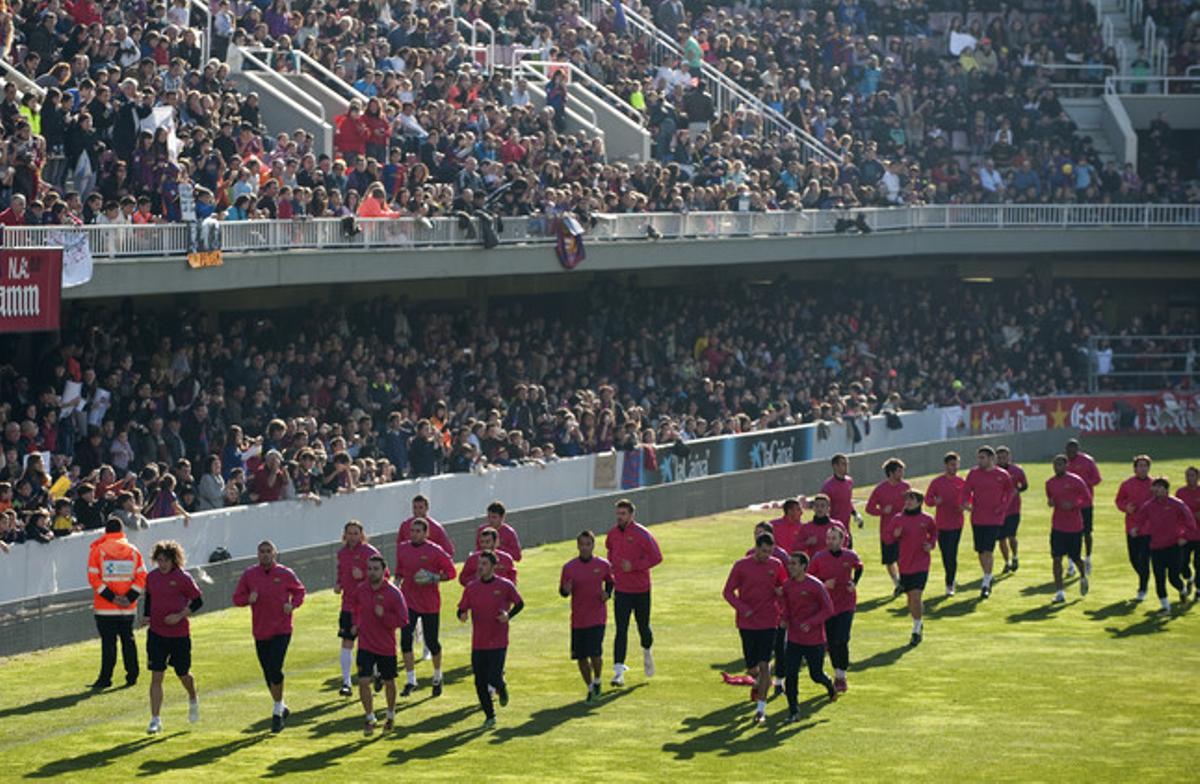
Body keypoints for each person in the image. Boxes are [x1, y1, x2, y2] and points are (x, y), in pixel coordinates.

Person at [232, 540, 307, 733]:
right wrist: (248, 599)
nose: (265, 554)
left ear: (274, 553)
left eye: (268, 551)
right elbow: (237, 598)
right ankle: (281, 705)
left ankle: (276, 713)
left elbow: (300, 591)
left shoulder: (285, 573)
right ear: (257, 554)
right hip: (260, 630)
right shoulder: (250, 574)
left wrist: (292, 605)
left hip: (282, 628)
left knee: (275, 668)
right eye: (262, 551)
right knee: (267, 672)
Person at [723, 532, 787, 724]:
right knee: (752, 668)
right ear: (756, 548)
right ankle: (760, 681)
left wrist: (780, 593)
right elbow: (728, 592)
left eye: (770, 551)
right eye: (764, 551)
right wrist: (743, 609)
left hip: (769, 620)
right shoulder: (741, 566)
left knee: (764, 664)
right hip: (747, 623)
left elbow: (785, 587)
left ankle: (761, 710)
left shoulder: (776, 565)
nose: (767, 555)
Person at [457, 551, 524, 728]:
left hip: (498, 641)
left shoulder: (505, 585)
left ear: (494, 566)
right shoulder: (471, 587)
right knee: (479, 682)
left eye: (484, 564)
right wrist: (462, 614)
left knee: (494, 677)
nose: (480, 567)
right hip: (478, 643)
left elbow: (520, 603)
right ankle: (490, 716)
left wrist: (508, 616)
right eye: (479, 564)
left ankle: (501, 688)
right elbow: (461, 608)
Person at [142, 539, 202, 734]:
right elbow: (149, 596)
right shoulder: (152, 577)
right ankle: (155, 719)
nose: (162, 564)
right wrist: (146, 616)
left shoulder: (183, 578)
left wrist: (179, 615)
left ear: (174, 560)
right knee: (156, 675)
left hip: (179, 635)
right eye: (159, 560)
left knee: (183, 674)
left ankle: (193, 697)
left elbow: (198, 601)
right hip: (156, 634)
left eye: (166, 560)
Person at [394, 517, 456, 697]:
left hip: (430, 603)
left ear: (426, 533)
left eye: (418, 531)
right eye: (412, 531)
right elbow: (399, 571)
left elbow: (451, 572)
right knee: (405, 640)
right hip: (409, 601)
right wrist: (396, 584)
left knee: (432, 642)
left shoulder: (435, 550)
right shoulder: (402, 548)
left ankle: (437, 676)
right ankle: (411, 680)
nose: (414, 534)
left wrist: (433, 577)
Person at [605, 498, 663, 686]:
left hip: (641, 590)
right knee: (621, 629)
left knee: (643, 627)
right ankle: (618, 672)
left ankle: (647, 651)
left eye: (623, 514)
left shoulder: (642, 534)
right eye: (618, 514)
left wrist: (635, 566)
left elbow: (657, 557)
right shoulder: (612, 534)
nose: (619, 517)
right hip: (621, 590)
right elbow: (610, 554)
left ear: (631, 515)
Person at [87, 516, 148, 689]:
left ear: (106, 531)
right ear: (122, 531)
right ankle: (132, 675)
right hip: (127, 608)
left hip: (105, 608)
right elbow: (142, 576)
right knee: (128, 640)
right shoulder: (133, 551)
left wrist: (111, 597)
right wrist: (129, 597)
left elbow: (93, 578)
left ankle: (105, 679)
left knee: (108, 644)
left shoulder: (98, 550)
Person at [351, 555, 408, 735]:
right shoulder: (361, 590)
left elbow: (403, 620)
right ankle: (370, 718)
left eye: (376, 569)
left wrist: (384, 615)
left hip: (386, 646)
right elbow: (354, 608)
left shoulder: (393, 593)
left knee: (389, 682)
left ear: (384, 571)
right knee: (363, 681)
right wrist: (356, 624)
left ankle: (390, 715)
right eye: (369, 569)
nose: (372, 572)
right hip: (365, 644)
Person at [779, 551, 838, 723]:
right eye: (789, 564)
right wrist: (784, 619)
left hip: (814, 639)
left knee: (816, 674)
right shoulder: (787, 586)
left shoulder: (815, 585)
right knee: (791, 675)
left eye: (794, 564)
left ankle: (829, 685)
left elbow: (828, 609)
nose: (790, 567)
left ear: (803, 566)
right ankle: (793, 711)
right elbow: (786, 606)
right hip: (794, 638)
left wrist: (811, 623)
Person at [560, 530, 614, 703]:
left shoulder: (602, 564)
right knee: (581, 657)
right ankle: (590, 687)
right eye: (582, 544)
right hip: (578, 619)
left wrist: (607, 593)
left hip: (597, 617)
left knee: (595, 653)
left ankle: (597, 680)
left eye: (588, 544)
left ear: (593, 545)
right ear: (577, 545)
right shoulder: (569, 568)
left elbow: (610, 581)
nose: (584, 547)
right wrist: (566, 590)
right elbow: (563, 591)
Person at [807, 526, 862, 692]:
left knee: (842, 639)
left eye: (834, 538)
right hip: (827, 605)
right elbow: (809, 577)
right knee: (831, 641)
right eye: (828, 538)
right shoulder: (819, 557)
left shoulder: (850, 555)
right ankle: (837, 670)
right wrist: (824, 584)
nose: (830, 541)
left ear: (842, 540)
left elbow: (859, 567)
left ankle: (841, 675)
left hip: (846, 603)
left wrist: (854, 583)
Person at [1132, 478, 1198, 613]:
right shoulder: (1149, 505)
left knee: (1173, 577)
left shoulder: (1177, 504)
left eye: (1160, 487)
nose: (1157, 490)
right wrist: (1135, 529)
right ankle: (1165, 607)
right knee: (1159, 578)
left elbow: (1190, 522)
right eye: (1155, 487)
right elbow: (1139, 519)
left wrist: (1184, 537)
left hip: (1173, 546)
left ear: (1166, 489)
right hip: (1156, 547)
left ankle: (1182, 590)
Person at [882, 491, 937, 645]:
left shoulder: (927, 519)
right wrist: (895, 534)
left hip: (922, 563)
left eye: (911, 499)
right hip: (905, 564)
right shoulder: (898, 519)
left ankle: (916, 629)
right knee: (910, 599)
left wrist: (930, 544)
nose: (907, 502)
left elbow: (934, 533)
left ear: (919, 502)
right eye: (906, 499)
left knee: (916, 595)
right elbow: (887, 538)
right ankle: (917, 621)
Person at [334, 520, 380, 696]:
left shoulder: (370, 552)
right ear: (344, 535)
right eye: (349, 533)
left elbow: (384, 576)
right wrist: (338, 584)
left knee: (371, 641)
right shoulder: (342, 553)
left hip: (367, 605)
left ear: (361, 535)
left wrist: (363, 576)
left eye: (355, 533)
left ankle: (377, 673)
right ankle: (346, 682)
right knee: (347, 642)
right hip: (348, 605)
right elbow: (341, 573)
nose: (352, 537)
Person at [961, 446, 1013, 599]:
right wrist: (965, 502)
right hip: (977, 517)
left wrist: (1002, 508)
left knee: (988, 549)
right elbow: (966, 491)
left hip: (994, 518)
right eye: (979, 458)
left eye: (982, 458)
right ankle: (987, 575)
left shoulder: (1002, 475)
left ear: (991, 458)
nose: (979, 461)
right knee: (980, 550)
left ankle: (986, 582)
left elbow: (1010, 492)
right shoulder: (973, 473)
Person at [1045, 455, 1090, 603]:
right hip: (1057, 526)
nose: (1057, 468)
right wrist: (1051, 502)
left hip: (1074, 526)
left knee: (1075, 558)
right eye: (1055, 465)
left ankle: (1083, 575)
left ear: (1066, 466)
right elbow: (1050, 498)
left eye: (1060, 465)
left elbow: (1086, 498)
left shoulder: (1076, 480)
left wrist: (1074, 504)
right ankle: (1060, 592)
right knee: (1056, 558)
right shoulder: (1049, 483)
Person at [866, 458, 910, 595]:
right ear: (891, 473)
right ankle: (897, 583)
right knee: (889, 560)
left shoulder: (906, 487)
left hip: (904, 529)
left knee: (903, 557)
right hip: (887, 531)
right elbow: (869, 508)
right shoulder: (880, 489)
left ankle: (904, 581)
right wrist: (882, 511)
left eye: (902, 470)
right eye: (899, 471)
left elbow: (913, 504)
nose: (902, 473)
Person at [926, 451, 966, 596]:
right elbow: (927, 500)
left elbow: (969, 498)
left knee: (952, 554)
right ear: (946, 465)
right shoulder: (937, 482)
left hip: (957, 523)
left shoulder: (961, 482)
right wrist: (935, 501)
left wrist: (964, 506)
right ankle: (950, 577)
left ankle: (949, 583)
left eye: (956, 464)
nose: (954, 467)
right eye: (952, 465)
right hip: (941, 524)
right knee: (945, 554)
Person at [1115, 455, 1155, 601]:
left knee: (1144, 558)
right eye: (1140, 466)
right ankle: (1145, 576)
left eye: (1145, 466)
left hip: (1148, 528)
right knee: (1133, 559)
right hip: (1131, 527)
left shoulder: (1154, 484)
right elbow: (1119, 501)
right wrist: (1126, 508)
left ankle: (1142, 588)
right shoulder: (1127, 484)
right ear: (1135, 468)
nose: (1142, 468)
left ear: (1149, 468)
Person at [1065, 439, 1102, 576]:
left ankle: (1087, 558)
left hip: (1085, 503)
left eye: (1073, 449)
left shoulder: (1087, 461)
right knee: (1069, 534)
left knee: (1086, 532)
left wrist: (1084, 484)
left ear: (1077, 449)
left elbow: (1097, 478)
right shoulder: (1064, 462)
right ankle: (1071, 562)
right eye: (1068, 450)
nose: (1071, 452)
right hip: (1069, 505)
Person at [995, 446, 1028, 573]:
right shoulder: (993, 471)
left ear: (1009, 457)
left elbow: (1025, 485)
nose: (1002, 460)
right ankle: (1006, 562)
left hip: (1013, 509)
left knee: (1011, 536)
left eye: (1004, 457)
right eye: (999, 458)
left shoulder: (1017, 470)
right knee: (1001, 538)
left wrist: (1017, 490)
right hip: (998, 510)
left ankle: (1015, 556)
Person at [796, 493, 851, 558]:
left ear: (828, 508)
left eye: (822, 506)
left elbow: (846, 543)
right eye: (817, 506)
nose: (819, 508)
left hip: (834, 561)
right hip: (815, 562)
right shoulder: (806, 528)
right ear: (813, 508)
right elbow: (796, 548)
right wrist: (807, 543)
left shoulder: (837, 525)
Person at [821, 453, 864, 529]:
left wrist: (856, 514)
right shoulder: (828, 486)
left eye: (847, 463)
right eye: (844, 464)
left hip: (846, 527)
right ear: (835, 466)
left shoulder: (849, 481)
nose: (847, 466)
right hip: (833, 529)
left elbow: (847, 502)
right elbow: (821, 508)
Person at [1176, 466, 1200, 595]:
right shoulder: (1180, 493)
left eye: (1192, 475)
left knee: (1199, 563)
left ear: (1198, 477)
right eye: (1187, 475)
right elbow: (1175, 512)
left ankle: (1199, 588)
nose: (1189, 478)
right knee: (1182, 563)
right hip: (1185, 535)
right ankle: (1189, 578)